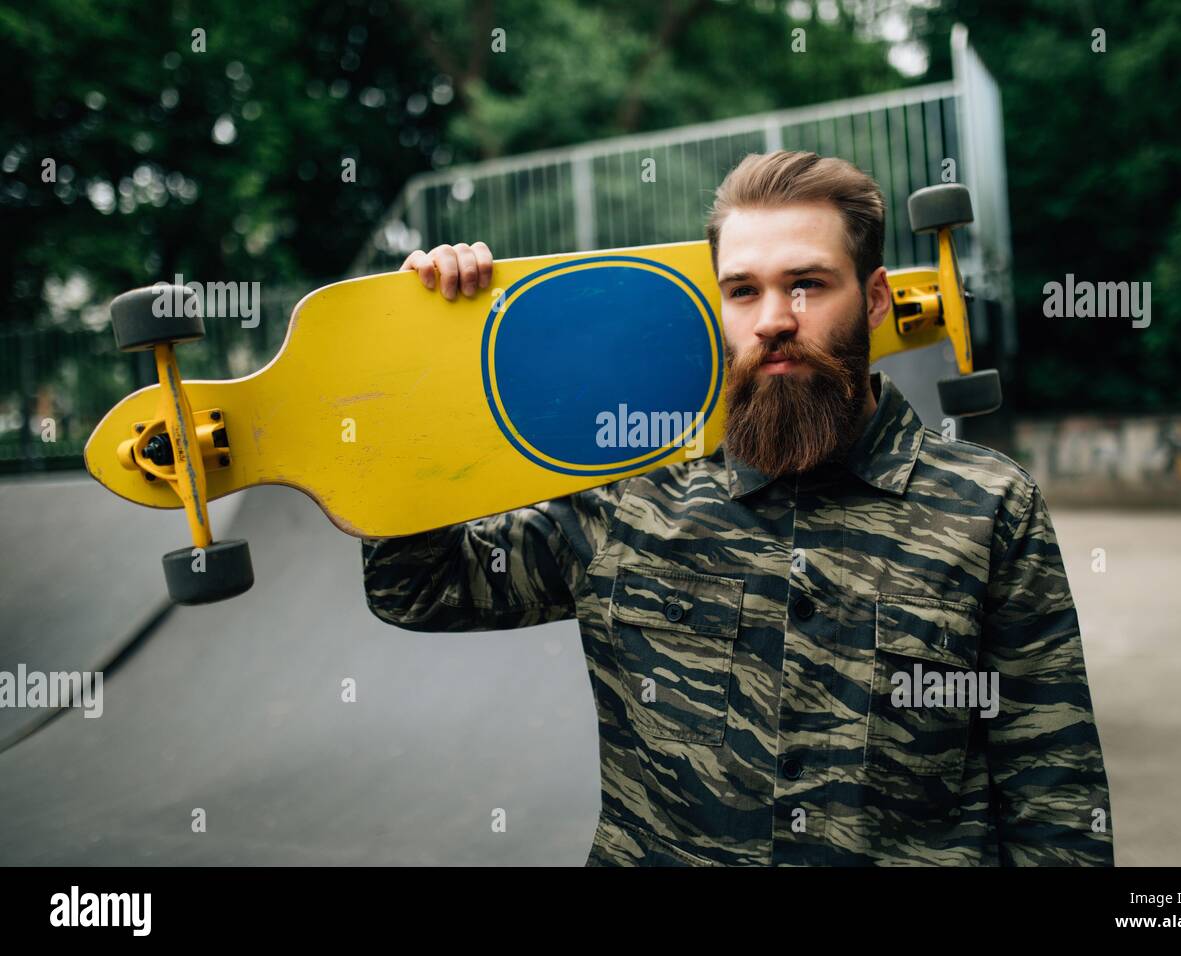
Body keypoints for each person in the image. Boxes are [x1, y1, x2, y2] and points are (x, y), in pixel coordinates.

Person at [362, 150, 1113, 866]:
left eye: (808, 284)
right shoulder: (630, 496)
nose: (773, 319)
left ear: (876, 298)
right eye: (743, 290)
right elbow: (419, 586)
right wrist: (425, 360)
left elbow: (1052, 791)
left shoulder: (987, 509)